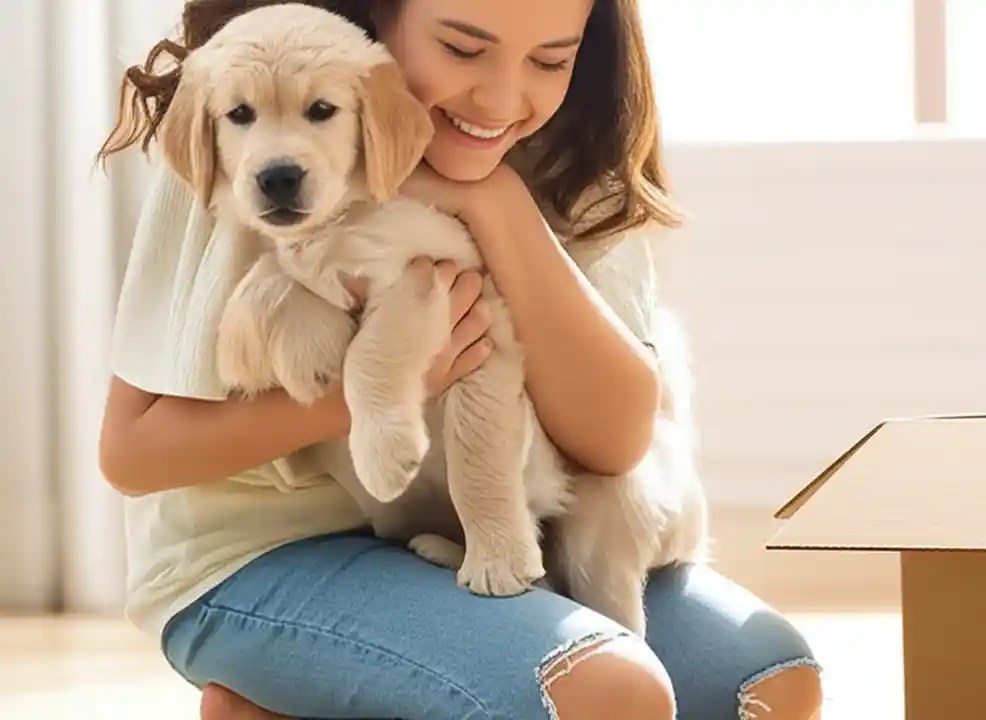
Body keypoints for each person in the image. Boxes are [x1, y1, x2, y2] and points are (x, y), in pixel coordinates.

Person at [95, 0, 824, 718]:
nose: (501, 99)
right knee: (608, 694)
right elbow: (132, 453)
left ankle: (313, 707)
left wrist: (495, 203)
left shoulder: (573, 156)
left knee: (769, 685)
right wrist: (377, 393)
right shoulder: (250, 140)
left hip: (473, 531)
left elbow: (615, 441)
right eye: (463, 49)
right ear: (378, 19)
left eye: (550, 61)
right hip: (259, 556)